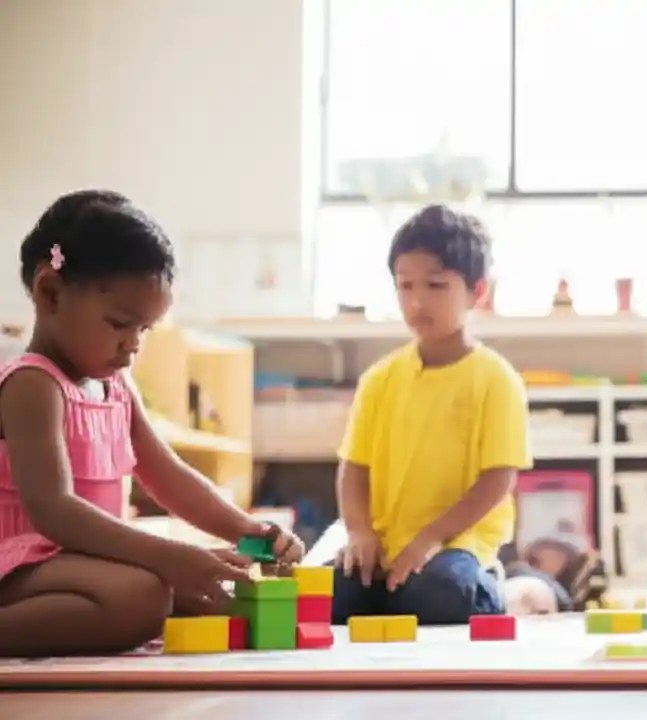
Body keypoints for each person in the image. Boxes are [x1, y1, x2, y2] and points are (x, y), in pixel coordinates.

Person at [0, 190, 304, 657]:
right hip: (21, 566)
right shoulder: (32, 385)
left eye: (144, 329)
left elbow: (170, 478)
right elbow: (54, 512)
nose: (133, 345)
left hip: (86, 566)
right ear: (50, 293)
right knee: (142, 595)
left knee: (215, 587)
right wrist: (167, 556)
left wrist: (248, 533)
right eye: (120, 323)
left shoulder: (116, 386)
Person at [332, 204, 530, 625]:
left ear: (478, 292)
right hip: (385, 549)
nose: (417, 302)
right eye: (405, 286)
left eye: (436, 286)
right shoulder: (379, 379)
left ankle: (496, 592)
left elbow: (497, 480)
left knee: (443, 593)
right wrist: (360, 532)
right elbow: (353, 471)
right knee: (329, 596)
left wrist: (430, 539)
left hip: (456, 547)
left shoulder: (496, 378)